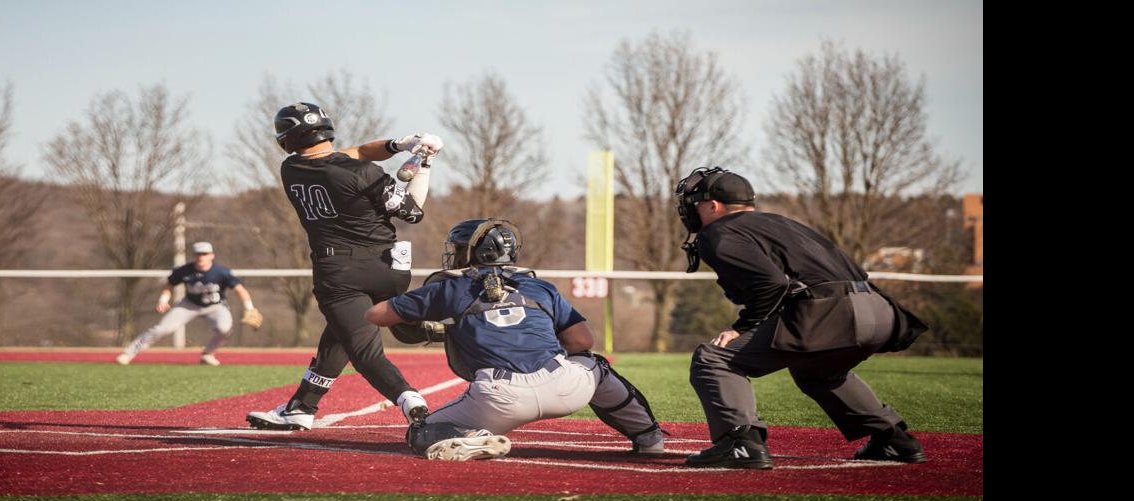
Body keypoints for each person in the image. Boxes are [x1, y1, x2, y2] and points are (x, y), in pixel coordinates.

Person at [673, 167, 927, 469]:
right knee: (817, 373)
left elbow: (772, 283)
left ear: (713, 206)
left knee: (714, 358)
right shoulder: (782, 222)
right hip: (880, 309)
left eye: (695, 203)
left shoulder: (717, 231)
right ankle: (894, 441)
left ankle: (740, 444)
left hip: (832, 312)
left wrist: (742, 327)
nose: (690, 210)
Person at [365, 218, 664, 461]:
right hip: (564, 388)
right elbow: (581, 341)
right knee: (595, 365)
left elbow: (377, 315)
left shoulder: (450, 289)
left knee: (420, 431)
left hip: (498, 398)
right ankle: (649, 438)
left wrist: (444, 323)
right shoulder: (540, 287)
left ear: (472, 252)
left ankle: (472, 438)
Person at [246, 102, 440, 431]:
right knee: (341, 333)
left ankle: (410, 400)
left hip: (339, 270)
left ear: (287, 140)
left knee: (364, 350)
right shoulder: (364, 173)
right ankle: (301, 406)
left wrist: (400, 145)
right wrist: (425, 164)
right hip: (389, 268)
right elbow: (413, 212)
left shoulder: (291, 168)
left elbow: (359, 152)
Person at [116, 241, 260, 366]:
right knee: (162, 329)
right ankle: (129, 353)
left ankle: (208, 354)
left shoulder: (221, 272)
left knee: (224, 328)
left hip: (215, 306)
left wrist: (249, 308)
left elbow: (240, 290)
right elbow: (169, 286)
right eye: (198, 254)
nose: (201, 257)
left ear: (212, 256)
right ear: (194, 255)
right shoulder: (184, 271)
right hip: (189, 305)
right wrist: (163, 300)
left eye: (204, 254)